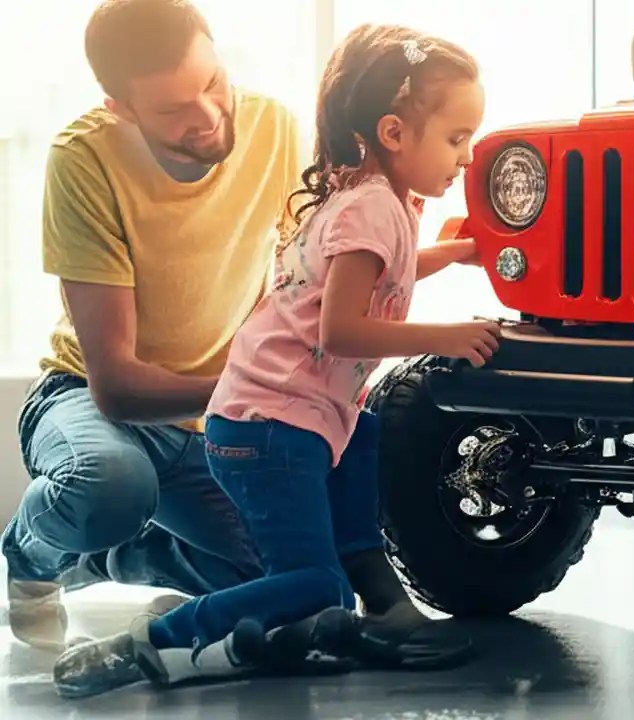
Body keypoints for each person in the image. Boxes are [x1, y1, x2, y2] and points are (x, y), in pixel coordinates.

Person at [49, 22, 501, 699]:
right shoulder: (374, 208)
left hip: (281, 418)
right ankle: (152, 642)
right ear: (394, 134)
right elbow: (343, 328)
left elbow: (385, 271)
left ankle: (382, 604)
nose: (466, 159)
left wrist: (457, 253)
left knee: (362, 435)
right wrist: (447, 336)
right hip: (270, 431)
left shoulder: (370, 199)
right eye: (457, 139)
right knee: (315, 586)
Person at [1, 0, 416, 654]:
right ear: (121, 109)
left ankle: (117, 554)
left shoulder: (273, 128)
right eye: (171, 110)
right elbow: (116, 387)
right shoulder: (83, 159)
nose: (208, 116)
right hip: (90, 400)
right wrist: (264, 390)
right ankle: (32, 555)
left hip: (217, 420)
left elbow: (312, 274)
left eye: (213, 83)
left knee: (294, 579)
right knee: (108, 485)